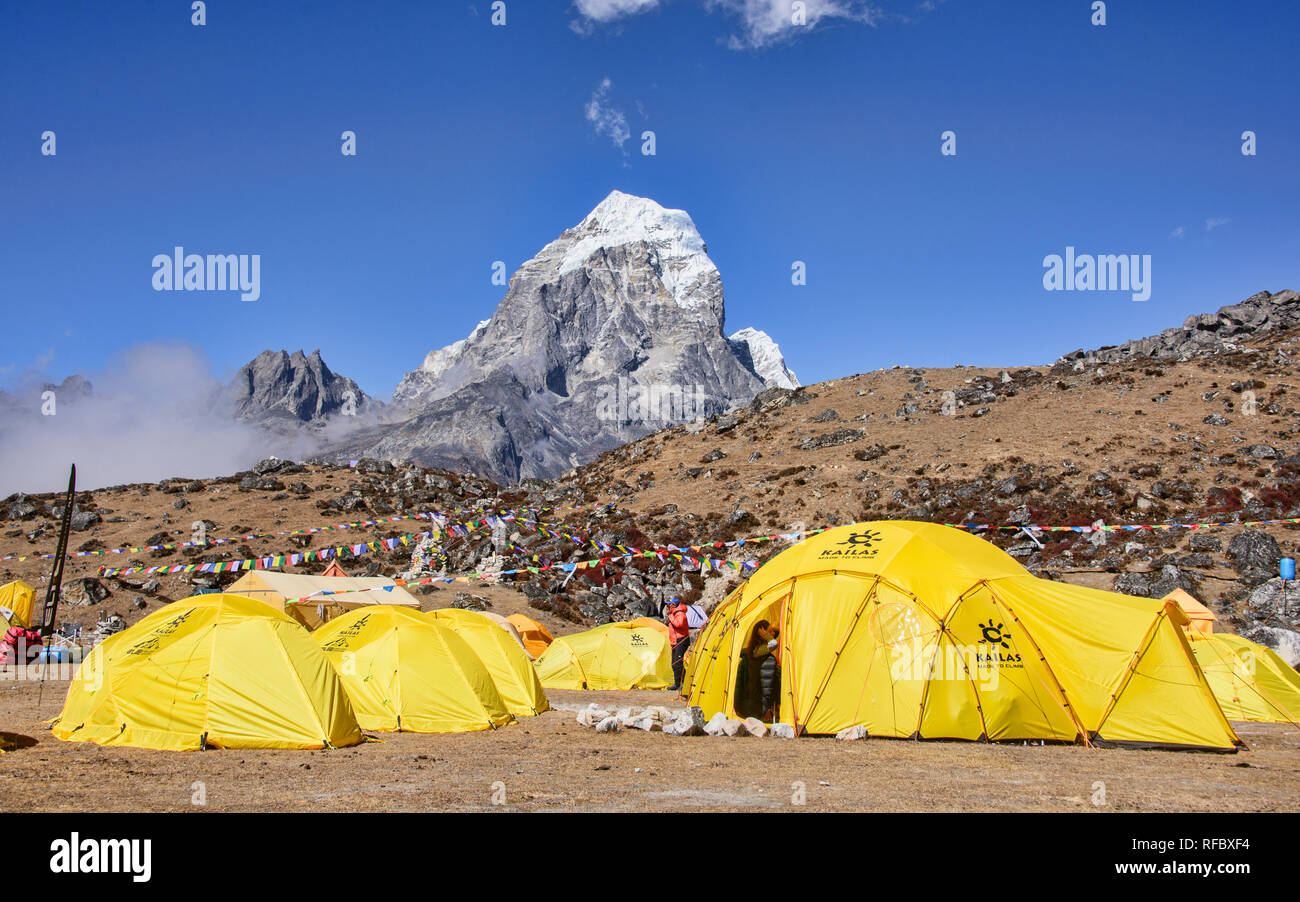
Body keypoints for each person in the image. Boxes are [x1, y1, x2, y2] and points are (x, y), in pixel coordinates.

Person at [747, 620, 781, 721]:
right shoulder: (758, 650)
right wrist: (765, 634)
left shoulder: (762, 648)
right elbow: (774, 643)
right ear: (761, 635)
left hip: (766, 686)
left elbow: (777, 637)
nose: (773, 634)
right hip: (763, 690)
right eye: (769, 631)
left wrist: (775, 628)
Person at [665, 597, 692, 692]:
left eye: (669, 604)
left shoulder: (680, 614)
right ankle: (677, 684)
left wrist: (670, 615)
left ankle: (684, 683)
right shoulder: (674, 613)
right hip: (675, 641)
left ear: (674, 605)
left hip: (681, 639)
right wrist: (669, 615)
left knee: (678, 663)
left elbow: (678, 624)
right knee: (674, 663)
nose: (668, 606)